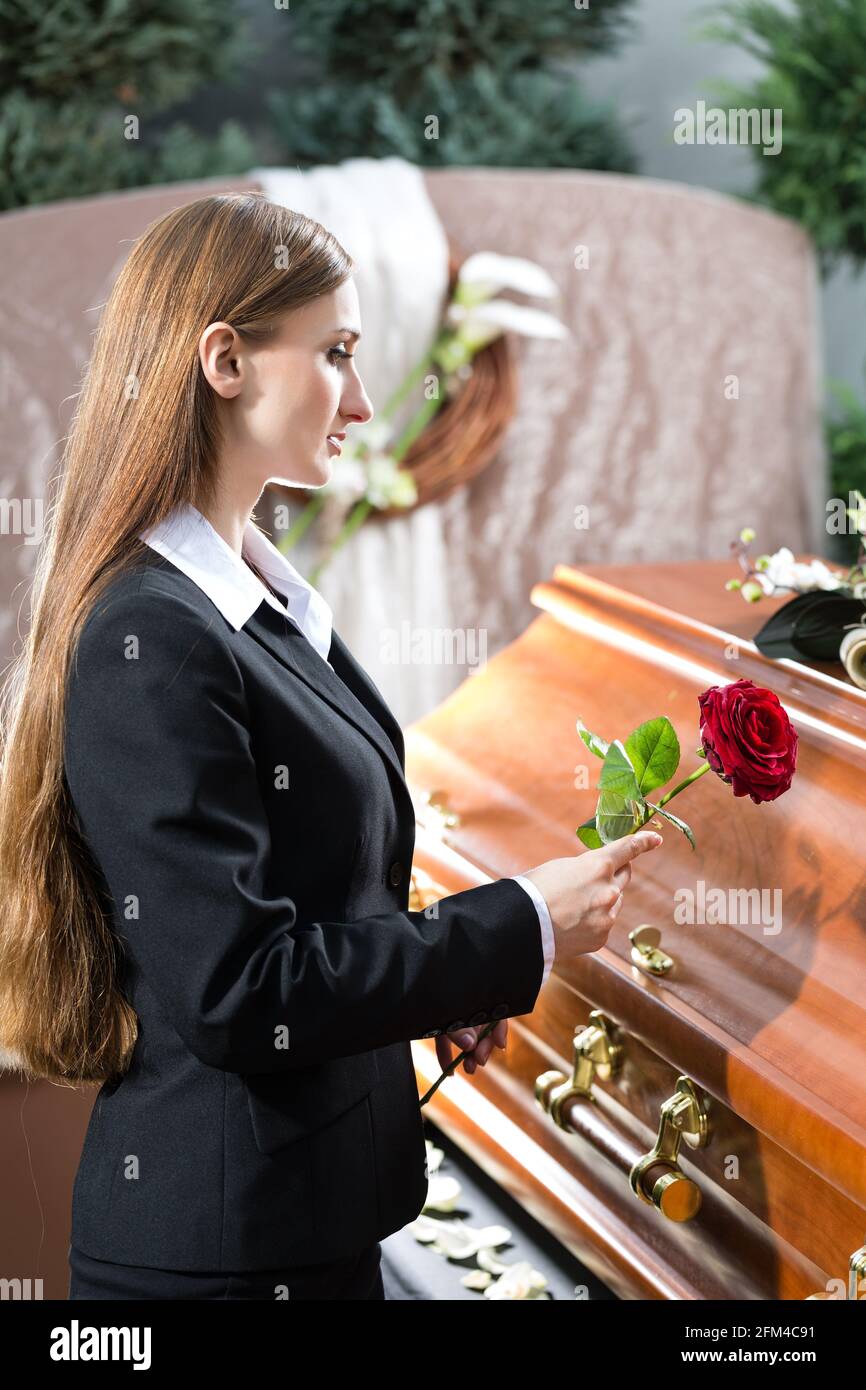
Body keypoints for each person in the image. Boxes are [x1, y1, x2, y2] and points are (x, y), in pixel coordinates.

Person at [0, 193, 663, 1301]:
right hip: (216, 1265)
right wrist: (523, 922)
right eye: (336, 353)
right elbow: (241, 990)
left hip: (305, 1230)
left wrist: (433, 994)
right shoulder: (151, 636)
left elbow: (305, 910)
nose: (362, 399)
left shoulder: (255, 605)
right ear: (225, 361)